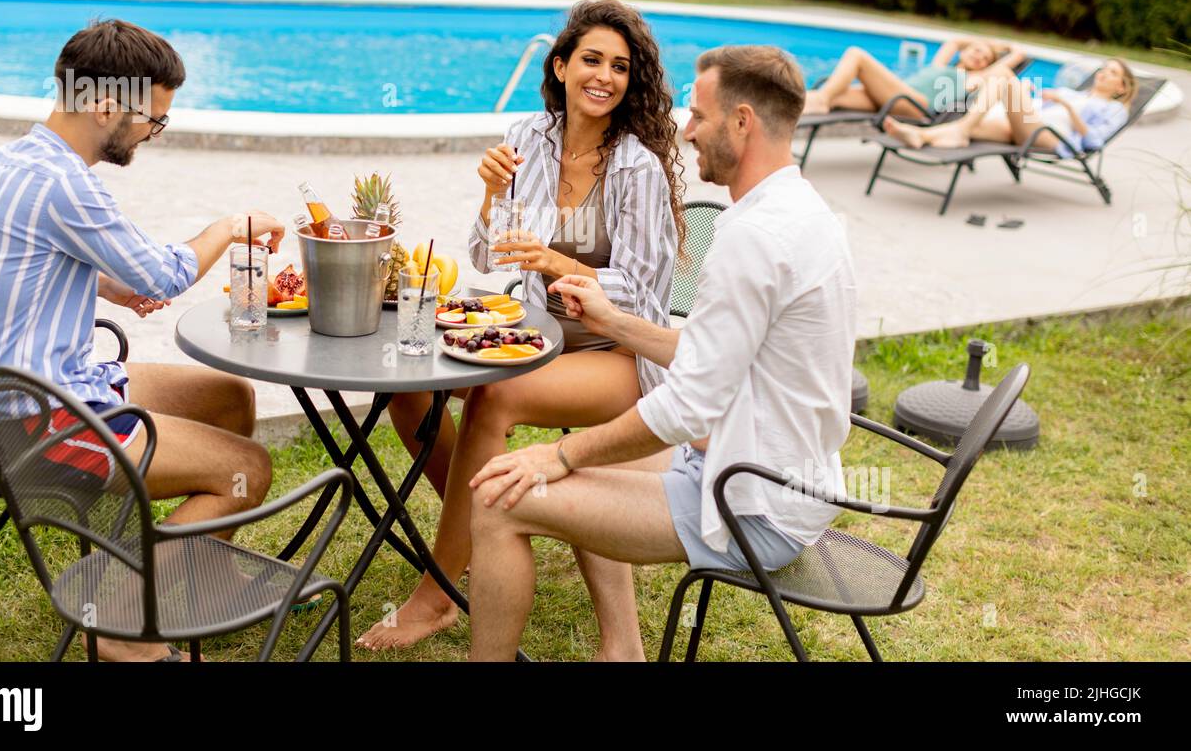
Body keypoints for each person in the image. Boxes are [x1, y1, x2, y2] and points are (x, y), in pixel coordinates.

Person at [465, 45, 857, 661]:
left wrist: (558, 455)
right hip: (772, 476)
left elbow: (685, 409)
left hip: (750, 503)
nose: (687, 130)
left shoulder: (755, 237)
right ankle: (622, 651)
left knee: (497, 500)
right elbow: (709, 355)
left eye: (699, 115)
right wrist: (615, 321)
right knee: (591, 466)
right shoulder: (805, 213)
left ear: (742, 121)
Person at [0, 19, 287, 662]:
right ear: (106, 106)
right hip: (38, 420)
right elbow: (165, 272)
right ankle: (121, 629)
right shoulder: (64, 183)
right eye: (152, 120)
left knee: (228, 396)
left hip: (24, 390)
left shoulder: (7, 162)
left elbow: (25, 259)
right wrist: (228, 227)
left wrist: (109, 288)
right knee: (247, 469)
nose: (151, 134)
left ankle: (210, 580)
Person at [358, 0, 685, 656]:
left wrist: (559, 262)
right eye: (591, 59)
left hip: (621, 354)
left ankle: (437, 593)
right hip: (543, 337)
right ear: (560, 66)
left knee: (494, 397)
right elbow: (487, 256)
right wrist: (489, 196)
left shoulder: (636, 167)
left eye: (620, 66)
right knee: (406, 383)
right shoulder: (527, 136)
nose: (604, 76)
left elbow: (648, 295)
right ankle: (483, 522)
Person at [881, 57, 1136, 154]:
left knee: (1002, 73)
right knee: (972, 125)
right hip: (1029, 125)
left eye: (1112, 72)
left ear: (1122, 88)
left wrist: (1066, 106)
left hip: (1051, 137)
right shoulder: (1074, 93)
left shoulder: (1115, 110)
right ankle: (919, 135)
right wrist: (1026, 93)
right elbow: (1037, 108)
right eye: (1104, 68)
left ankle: (957, 132)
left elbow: (1094, 142)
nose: (1104, 73)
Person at [802, 36, 1025, 117]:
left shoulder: (976, 77)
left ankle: (821, 100)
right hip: (898, 95)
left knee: (856, 54)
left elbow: (1019, 54)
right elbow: (954, 42)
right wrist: (988, 43)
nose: (978, 57)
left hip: (917, 105)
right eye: (976, 50)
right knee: (837, 96)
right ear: (964, 51)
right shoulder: (941, 64)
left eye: (985, 58)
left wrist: (1001, 47)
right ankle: (809, 103)